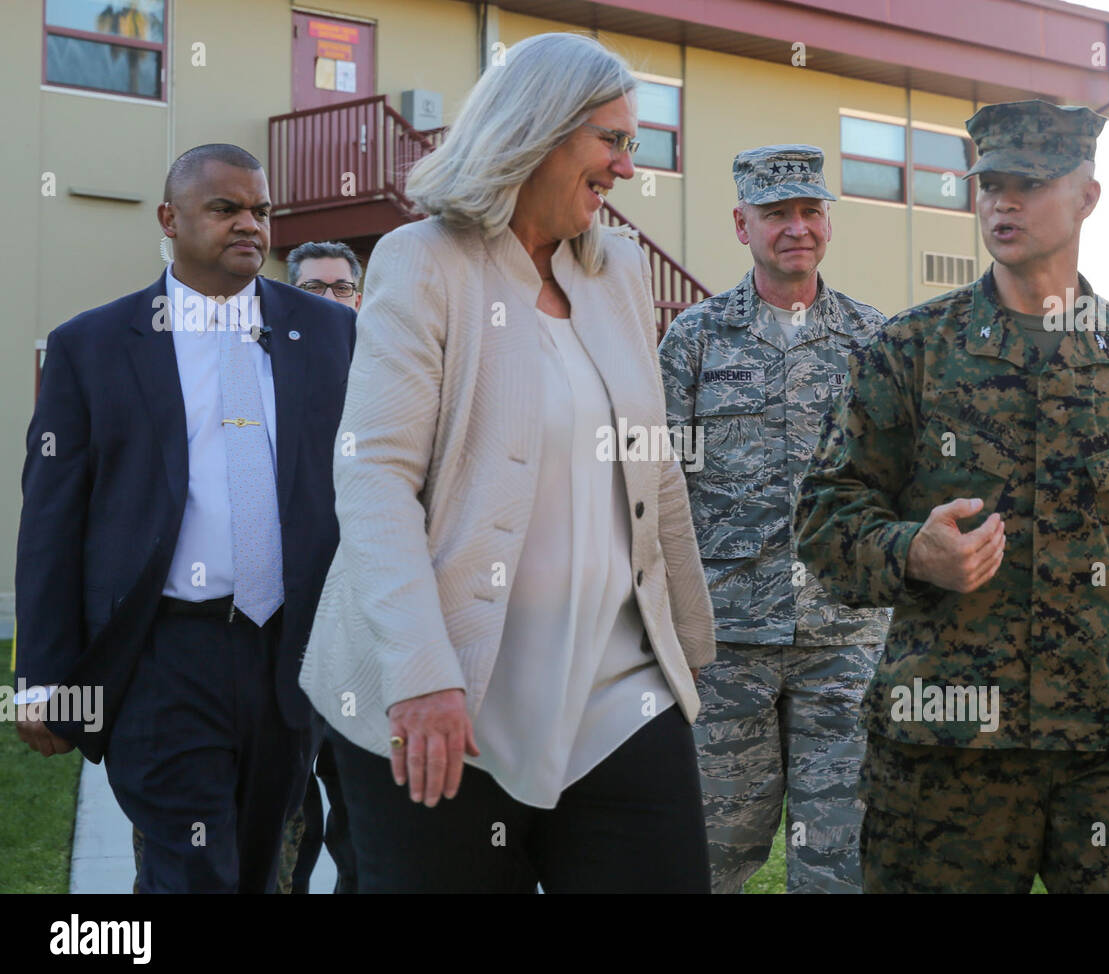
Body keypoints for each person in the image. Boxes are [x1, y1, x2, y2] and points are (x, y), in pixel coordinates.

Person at [299, 32, 716, 893]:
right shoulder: (423, 262)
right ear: (540, 131)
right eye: (611, 140)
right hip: (450, 698)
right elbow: (374, 477)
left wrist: (688, 641)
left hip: (617, 690)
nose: (626, 167)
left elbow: (653, 462)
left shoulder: (618, 268)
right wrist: (421, 672)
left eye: (632, 143)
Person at [794, 100, 1109, 893]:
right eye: (990, 185)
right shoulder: (910, 350)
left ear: (1087, 197)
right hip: (947, 745)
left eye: (1029, 185)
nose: (1002, 203)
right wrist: (913, 551)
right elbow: (825, 518)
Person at [15, 144, 357, 893]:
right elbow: (50, 520)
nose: (249, 225)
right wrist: (41, 678)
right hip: (161, 657)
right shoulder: (93, 346)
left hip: (289, 657)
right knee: (190, 869)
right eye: (225, 208)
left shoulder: (332, 333)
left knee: (259, 869)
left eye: (260, 210)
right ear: (169, 219)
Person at [658, 145, 890, 894]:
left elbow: (903, 482)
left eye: (810, 211)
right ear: (742, 224)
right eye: (776, 213)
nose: (797, 227)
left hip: (845, 641)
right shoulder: (696, 338)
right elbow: (657, 484)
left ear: (828, 221)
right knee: (711, 851)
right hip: (726, 642)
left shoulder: (873, 338)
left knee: (842, 858)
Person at [275, 240, 365, 894]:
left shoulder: (392, 371)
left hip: (365, 637)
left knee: (365, 831)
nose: (329, 300)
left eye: (341, 287)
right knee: (286, 821)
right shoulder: (262, 374)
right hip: (283, 635)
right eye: (313, 288)